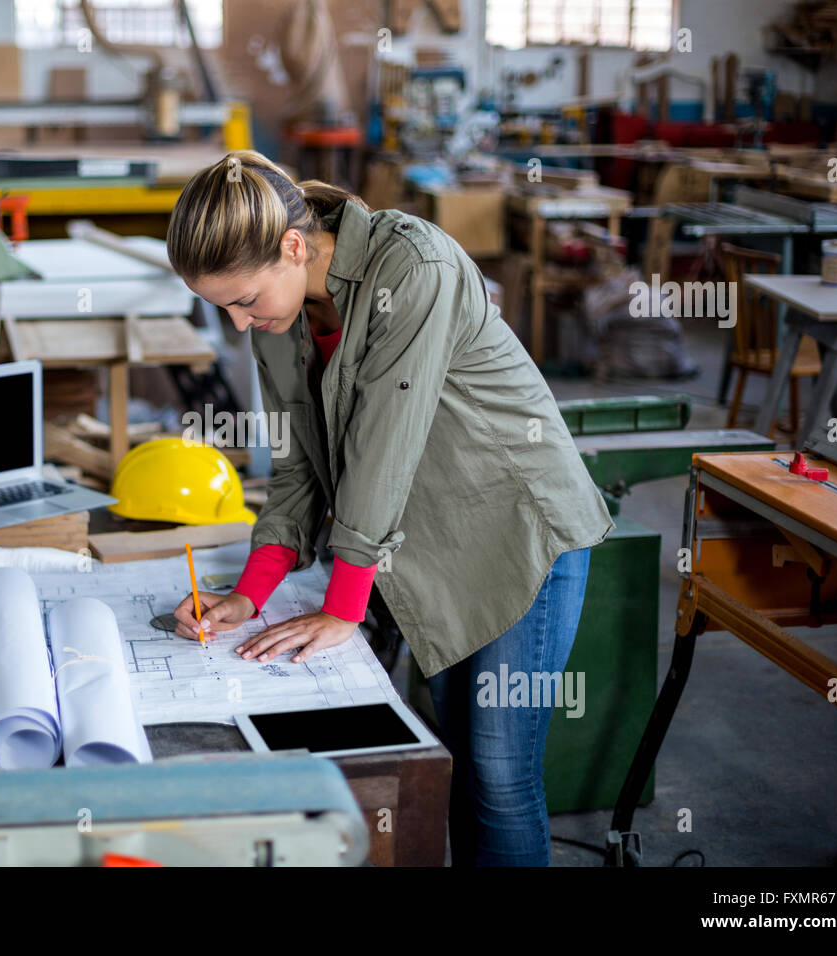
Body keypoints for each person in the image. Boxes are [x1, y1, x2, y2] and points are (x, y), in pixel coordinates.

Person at [166, 150, 613, 866]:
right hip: (429, 544)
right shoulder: (281, 319)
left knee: (500, 774)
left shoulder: (412, 268)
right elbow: (298, 466)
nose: (241, 323)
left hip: (518, 528)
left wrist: (343, 607)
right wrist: (249, 595)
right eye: (224, 308)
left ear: (293, 246)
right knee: (458, 758)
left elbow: (383, 444)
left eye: (244, 299)